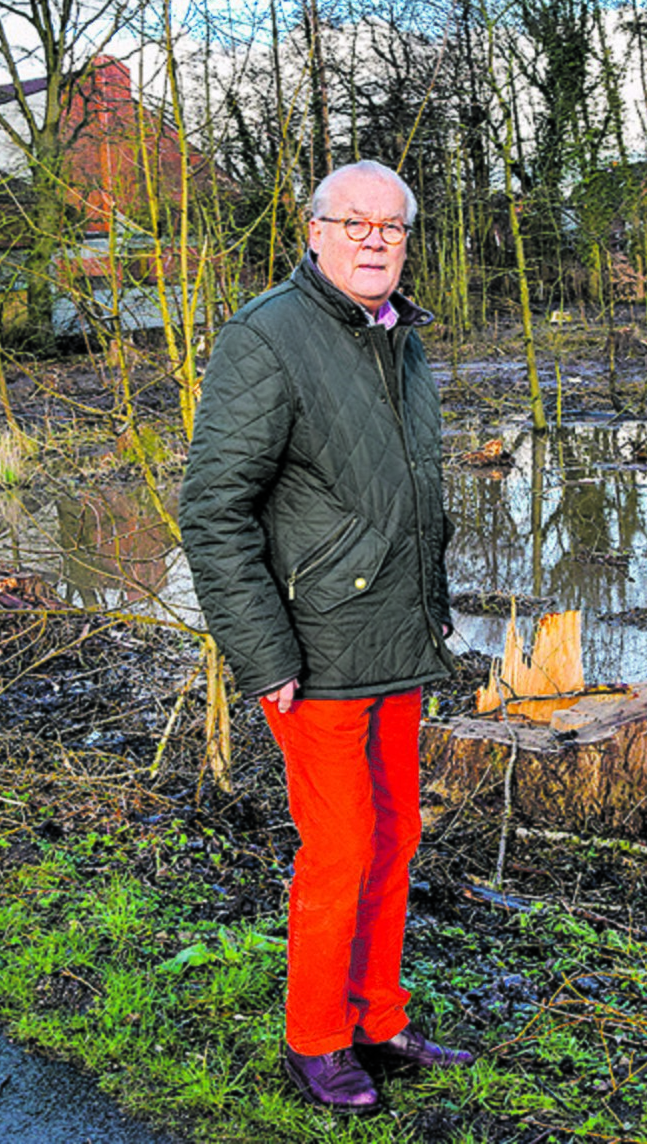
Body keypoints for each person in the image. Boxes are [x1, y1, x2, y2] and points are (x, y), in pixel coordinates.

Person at [178, 159, 474, 1114]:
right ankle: (315, 1039)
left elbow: (410, 496)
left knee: (396, 834)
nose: (375, 239)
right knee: (339, 845)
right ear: (313, 232)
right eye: (354, 223)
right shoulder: (267, 336)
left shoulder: (403, 340)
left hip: (396, 636)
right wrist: (264, 657)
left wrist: (432, 606)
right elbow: (215, 511)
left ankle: (378, 1016)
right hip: (316, 653)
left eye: (391, 225)